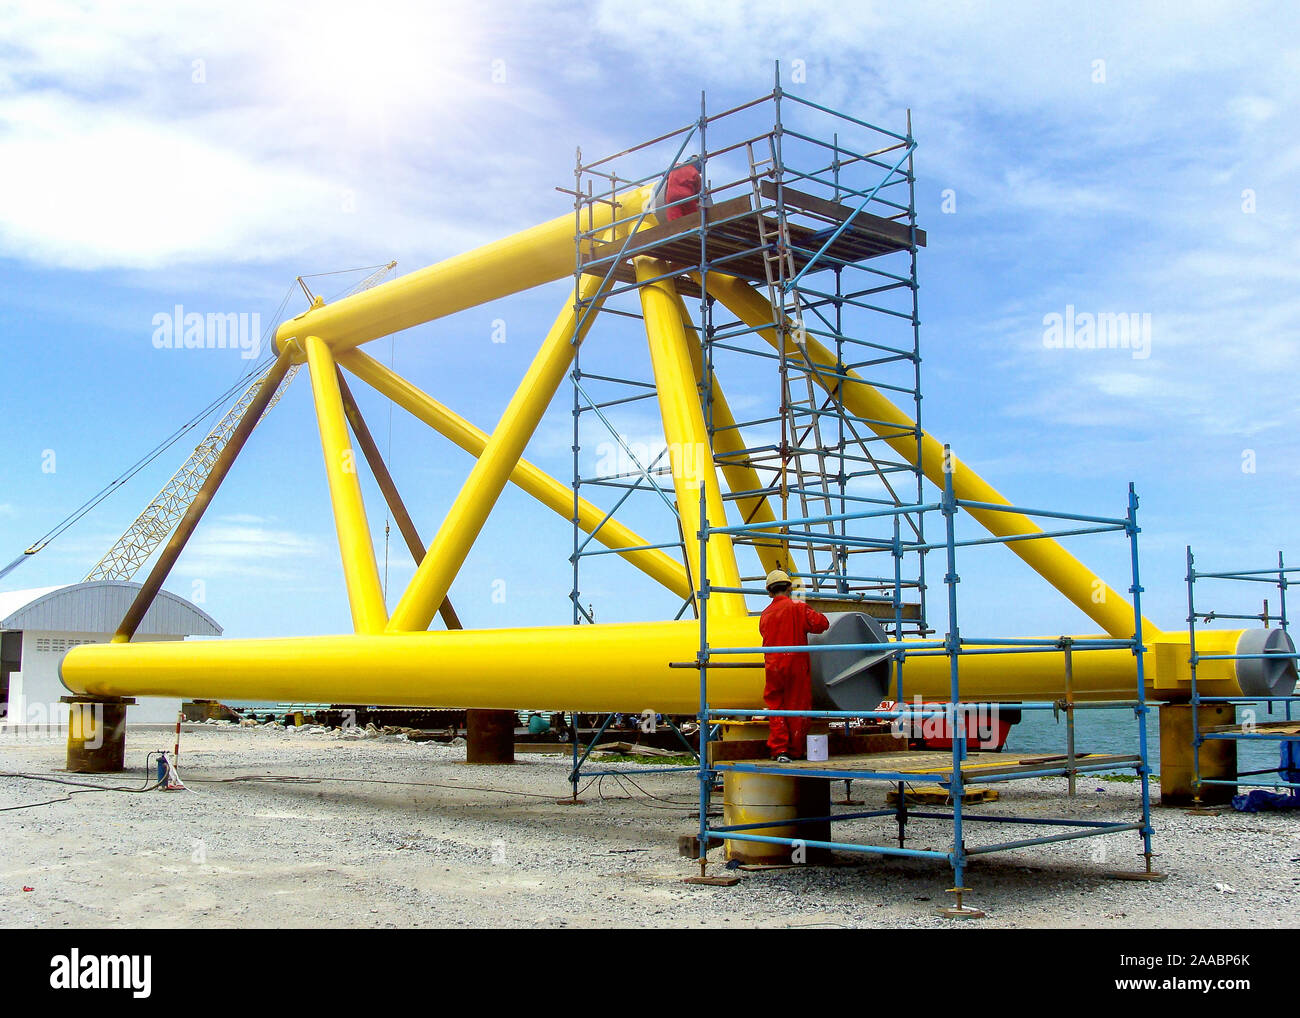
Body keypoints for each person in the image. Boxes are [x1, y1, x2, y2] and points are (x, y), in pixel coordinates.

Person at [758, 568, 829, 762]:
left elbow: (765, 635)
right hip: (796, 664)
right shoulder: (798, 608)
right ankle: (795, 750)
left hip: (773, 665)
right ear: (789, 587)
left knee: (776, 706)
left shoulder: (765, 614)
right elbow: (822, 624)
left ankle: (779, 749)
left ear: (770, 592)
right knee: (798, 706)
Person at [662, 157, 702, 221]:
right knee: (692, 221)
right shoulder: (696, 174)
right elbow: (698, 193)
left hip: (672, 197)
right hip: (688, 198)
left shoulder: (675, 166)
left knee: (675, 222)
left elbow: (664, 174)